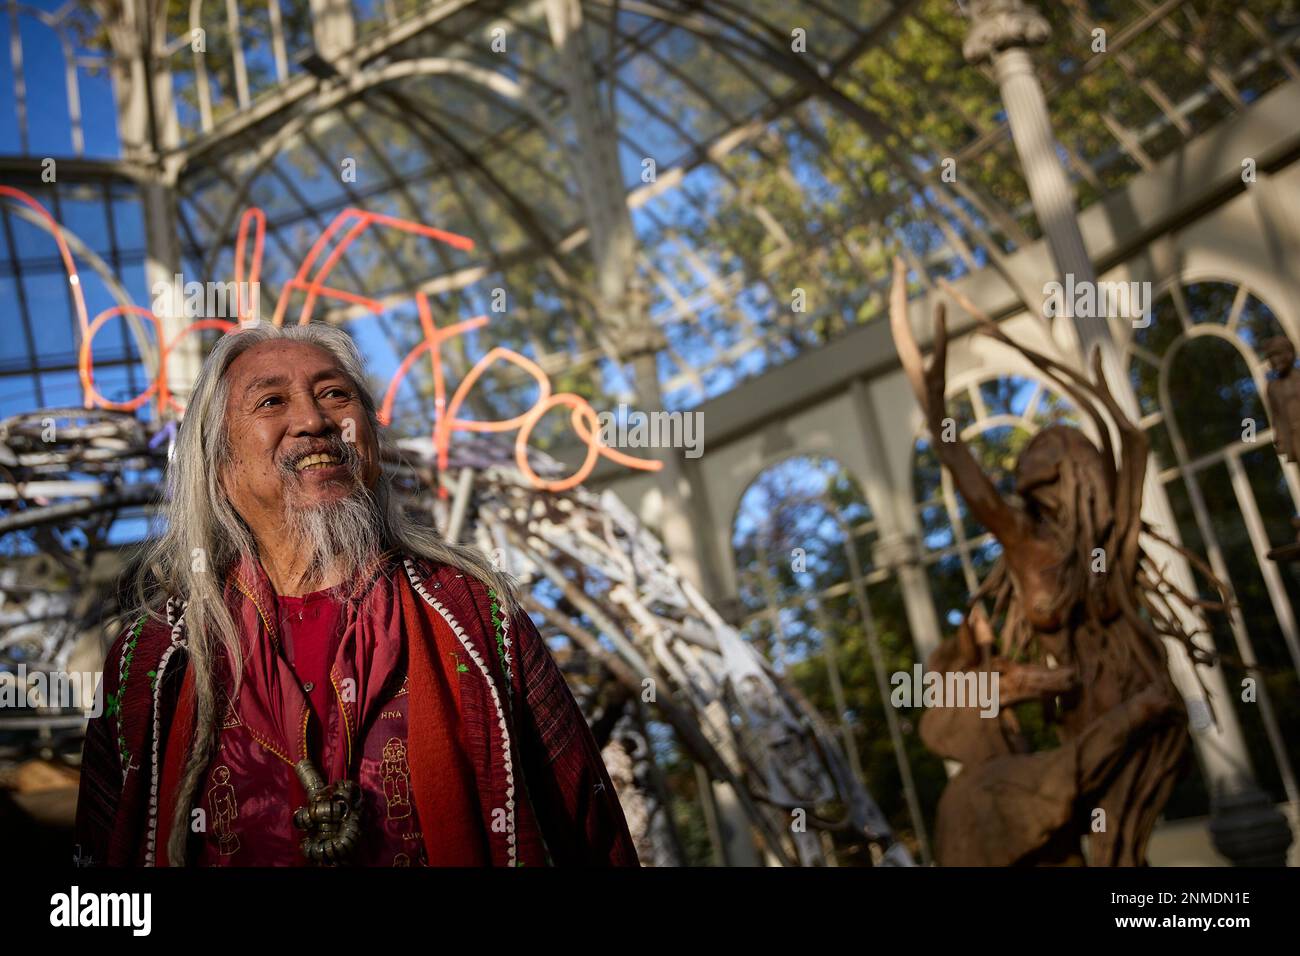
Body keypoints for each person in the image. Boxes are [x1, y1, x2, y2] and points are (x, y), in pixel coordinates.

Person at [74, 323, 639, 867]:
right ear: (221, 465)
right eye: (271, 402)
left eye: (336, 395)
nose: (315, 421)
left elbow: (588, 830)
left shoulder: (475, 615)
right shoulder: (153, 659)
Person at [889, 259, 1225, 865]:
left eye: (1041, 468)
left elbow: (1130, 458)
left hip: (1139, 700)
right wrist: (938, 419)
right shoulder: (1025, 543)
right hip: (1084, 719)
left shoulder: (1103, 547)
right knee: (1105, 854)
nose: (1026, 483)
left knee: (1122, 853)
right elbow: (976, 490)